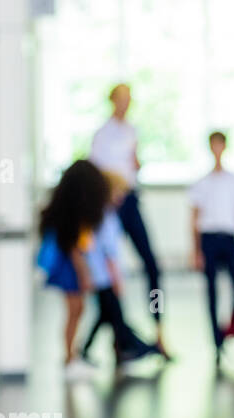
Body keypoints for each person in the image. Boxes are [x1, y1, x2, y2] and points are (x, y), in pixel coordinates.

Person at [89, 83, 172, 358]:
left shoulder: (132, 131)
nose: (125, 104)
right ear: (112, 101)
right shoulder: (102, 135)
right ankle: (117, 338)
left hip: (130, 200)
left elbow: (133, 163)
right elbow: (98, 173)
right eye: (121, 99)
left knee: (152, 265)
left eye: (129, 99)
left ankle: (158, 329)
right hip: (110, 207)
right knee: (109, 270)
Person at [78, 170, 162, 370]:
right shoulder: (105, 217)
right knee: (115, 318)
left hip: (102, 277)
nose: (122, 197)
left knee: (105, 316)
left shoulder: (104, 215)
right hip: (105, 277)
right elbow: (108, 255)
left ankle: (89, 350)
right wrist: (117, 280)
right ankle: (137, 348)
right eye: (119, 192)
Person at [37, 159, 110, 380]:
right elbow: (74, 249)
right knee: (75, 310)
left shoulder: (64, 208)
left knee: (76, 311)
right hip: (69, 268)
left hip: (67, 266)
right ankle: (69, 359)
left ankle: (72, 356)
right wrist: (85, 274)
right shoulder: (73, 213)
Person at [190, 130, 234, 366]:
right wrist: (195, 250)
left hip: (230, 239)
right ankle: (216, 345)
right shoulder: (201, 183)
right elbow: (194, 219)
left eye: (220, 145)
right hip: (209, 240)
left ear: (224, 147)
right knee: (211, 293)